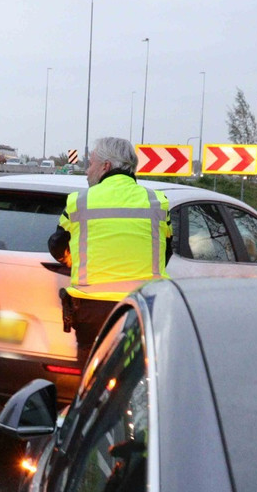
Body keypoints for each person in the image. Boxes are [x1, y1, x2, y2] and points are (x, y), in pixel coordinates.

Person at [48, 136, 171, 367]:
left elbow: (57, 247)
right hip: (142, 308)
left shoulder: (79, 202)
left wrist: (84, 263)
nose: (87, 170)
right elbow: (166, 251)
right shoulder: (158, 202)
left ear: (106, 166)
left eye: (91, 163)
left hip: (92, 311)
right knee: (135, 378)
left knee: (92, 380)